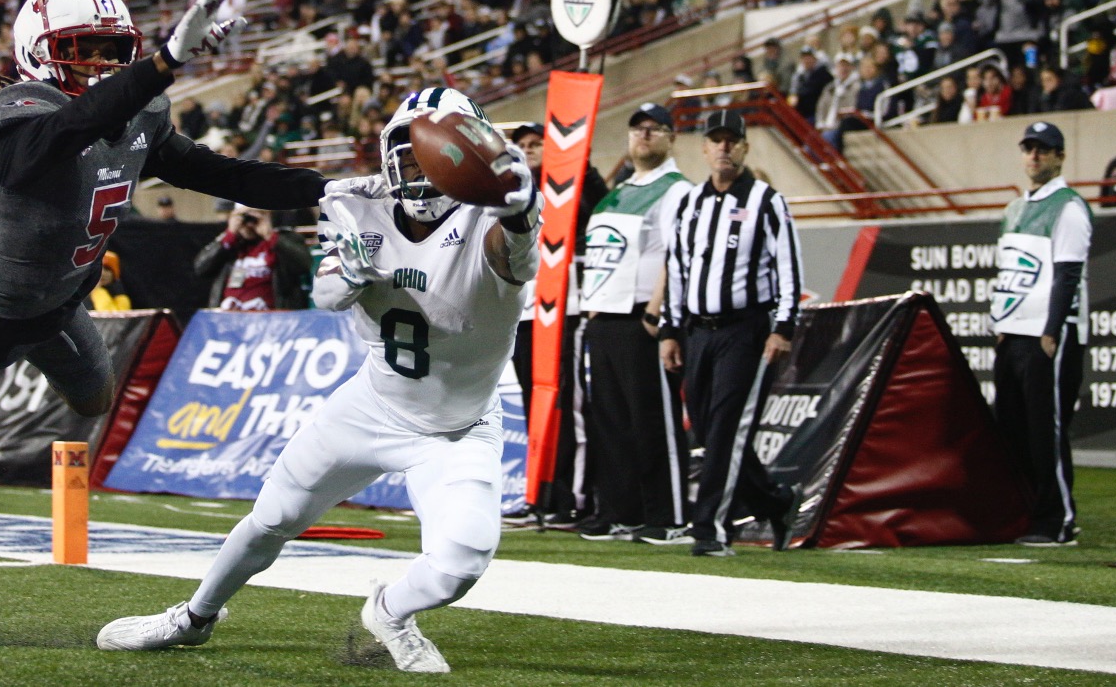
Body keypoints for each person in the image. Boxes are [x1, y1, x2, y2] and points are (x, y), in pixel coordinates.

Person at [0, 0, 358, 599]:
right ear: (38, 52)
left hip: (58, 303)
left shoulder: (139, 115)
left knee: (94, 399)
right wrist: (163, 63)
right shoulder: (22, 113)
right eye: (82, 49)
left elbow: (219, 174)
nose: (101, 64)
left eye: (113, 51)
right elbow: (66, 133)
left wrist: (325, 188)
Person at [97, 86, 537, 672]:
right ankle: (194, 617)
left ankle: (389, 611)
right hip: (373, 403)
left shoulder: (497, 221)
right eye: (411, 157)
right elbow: (326, 294)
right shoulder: (360, 203)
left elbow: (513, 251)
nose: (423, 171)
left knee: (460, 564)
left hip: (458, 427)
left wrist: (520, 210)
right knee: (271, 518)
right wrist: (344, 273)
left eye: (440, 158)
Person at [656, 110, 803, 557]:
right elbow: (678, 270)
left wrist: (783, 328)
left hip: (744, 329)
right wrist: (670, 330)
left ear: (744, 148)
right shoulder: (689, 203)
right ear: (704, 148)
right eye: (716, 140)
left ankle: (710, 529)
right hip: (698, 331)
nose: (723, 148)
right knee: (707, 428)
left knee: (725, 429)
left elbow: (789, 268)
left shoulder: (766, 200)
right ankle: (775, 503)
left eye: (731, 141)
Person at [576, 103, 692, 545]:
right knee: (610, 422)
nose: (643, 135)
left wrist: (655, 313)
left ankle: (669, 514)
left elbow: (677, 255)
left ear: (671, 138)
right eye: (637, 129)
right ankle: (621, 511)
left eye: (653, 129)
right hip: (604, 317)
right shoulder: (618, 191)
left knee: (652, 421)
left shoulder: (677, 190)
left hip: (641, 316)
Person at [989, 122, 1091, 546]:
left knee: (1045, 429)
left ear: (1060, 156)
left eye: (1043, 150)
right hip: (1014, 330)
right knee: (1012, 427)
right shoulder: (1014, 209)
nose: (1034, 156)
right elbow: (1008, 272)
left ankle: (1057, 520)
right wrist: (1000, 325)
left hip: (1046, 334)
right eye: (1029, 148)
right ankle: (1024, 513)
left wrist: (1051, 331)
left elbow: (1068, 275)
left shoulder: (1068, 207)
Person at [506, 120, 604, 528]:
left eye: (536, 143)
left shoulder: (568, 188)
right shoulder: (508, 193)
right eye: (522, 144)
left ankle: (570, 498)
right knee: (535, 405)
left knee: (565, 405)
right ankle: (539, 496)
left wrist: (581, 167)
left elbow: (595, 212)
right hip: (525, 314)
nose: (529, 149)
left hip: (561, 310)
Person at [193, 206, 310, 310]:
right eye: (243, 217)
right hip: (228, 319)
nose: (248, 224)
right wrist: (230, 235)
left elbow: (304, 265)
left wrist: (270, 236)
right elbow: (201, 268)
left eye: (254, 217)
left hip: (270, 320)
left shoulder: (283, 239)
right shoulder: (229, 244)